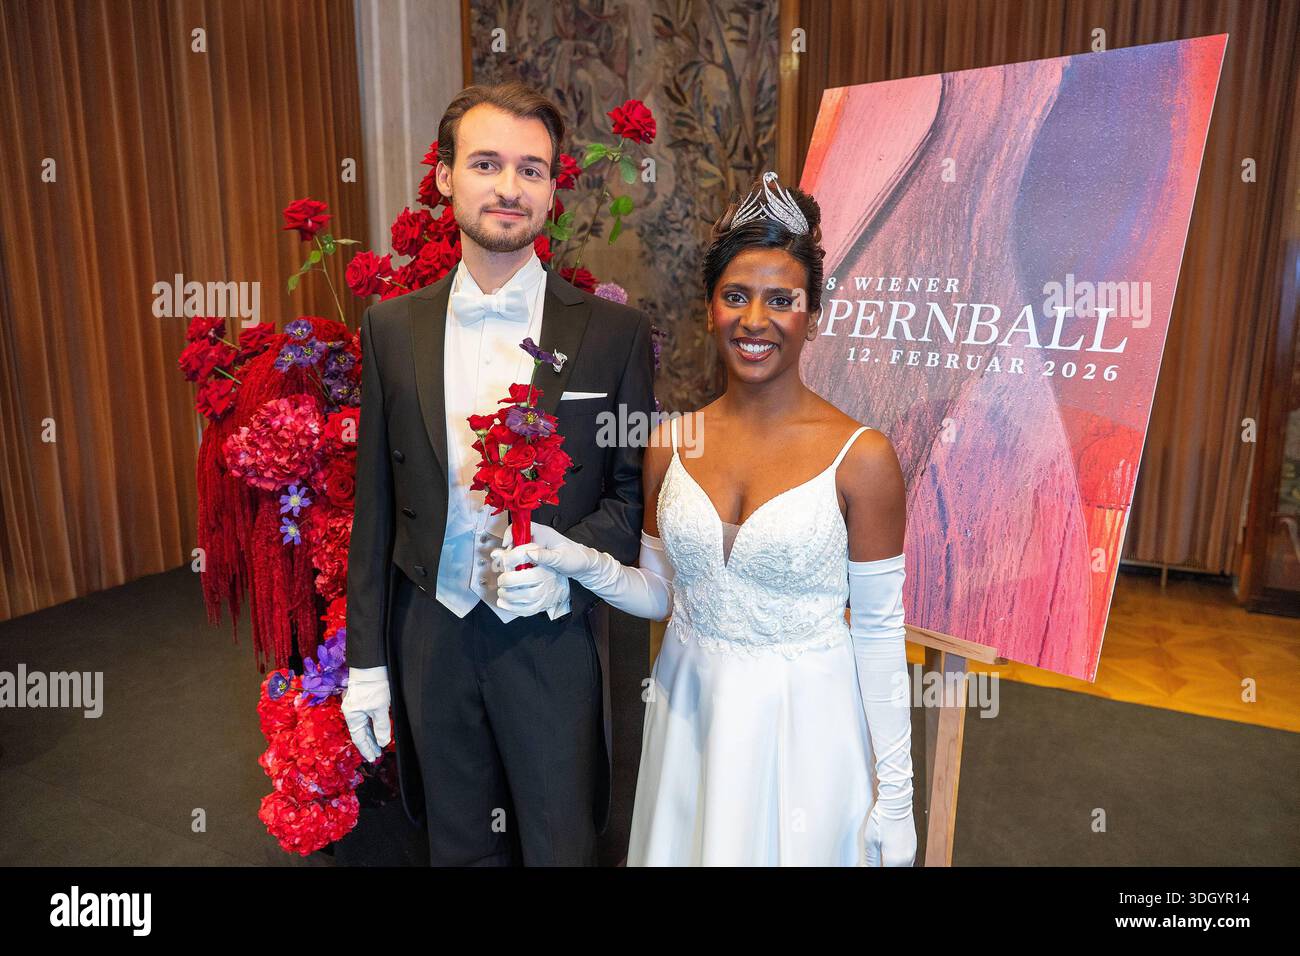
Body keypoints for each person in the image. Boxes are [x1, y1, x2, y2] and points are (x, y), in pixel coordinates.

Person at [495, 171, 917, 866]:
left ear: (814, 311)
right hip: (691, 709)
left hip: (805, 727)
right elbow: (662, 595)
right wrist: (581, 562)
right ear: (711, 306)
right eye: (736, 297)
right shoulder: (670, 441)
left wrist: (895, 796)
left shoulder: (863, 458)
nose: (755, 321)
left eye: (782, 299)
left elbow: (877, 634)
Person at [341, 81, 656, 866]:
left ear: (553, 188)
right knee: (456, 846)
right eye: (486, 163)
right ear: (444, 176)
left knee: (561, 844)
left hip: (549, 639)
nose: (509, 187)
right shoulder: (389, 327)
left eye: (531, 169)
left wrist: (568, 572)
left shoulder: (615, 335)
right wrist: (366, 663)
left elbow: (630, 499)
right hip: (431, 632)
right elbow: (375, 509)